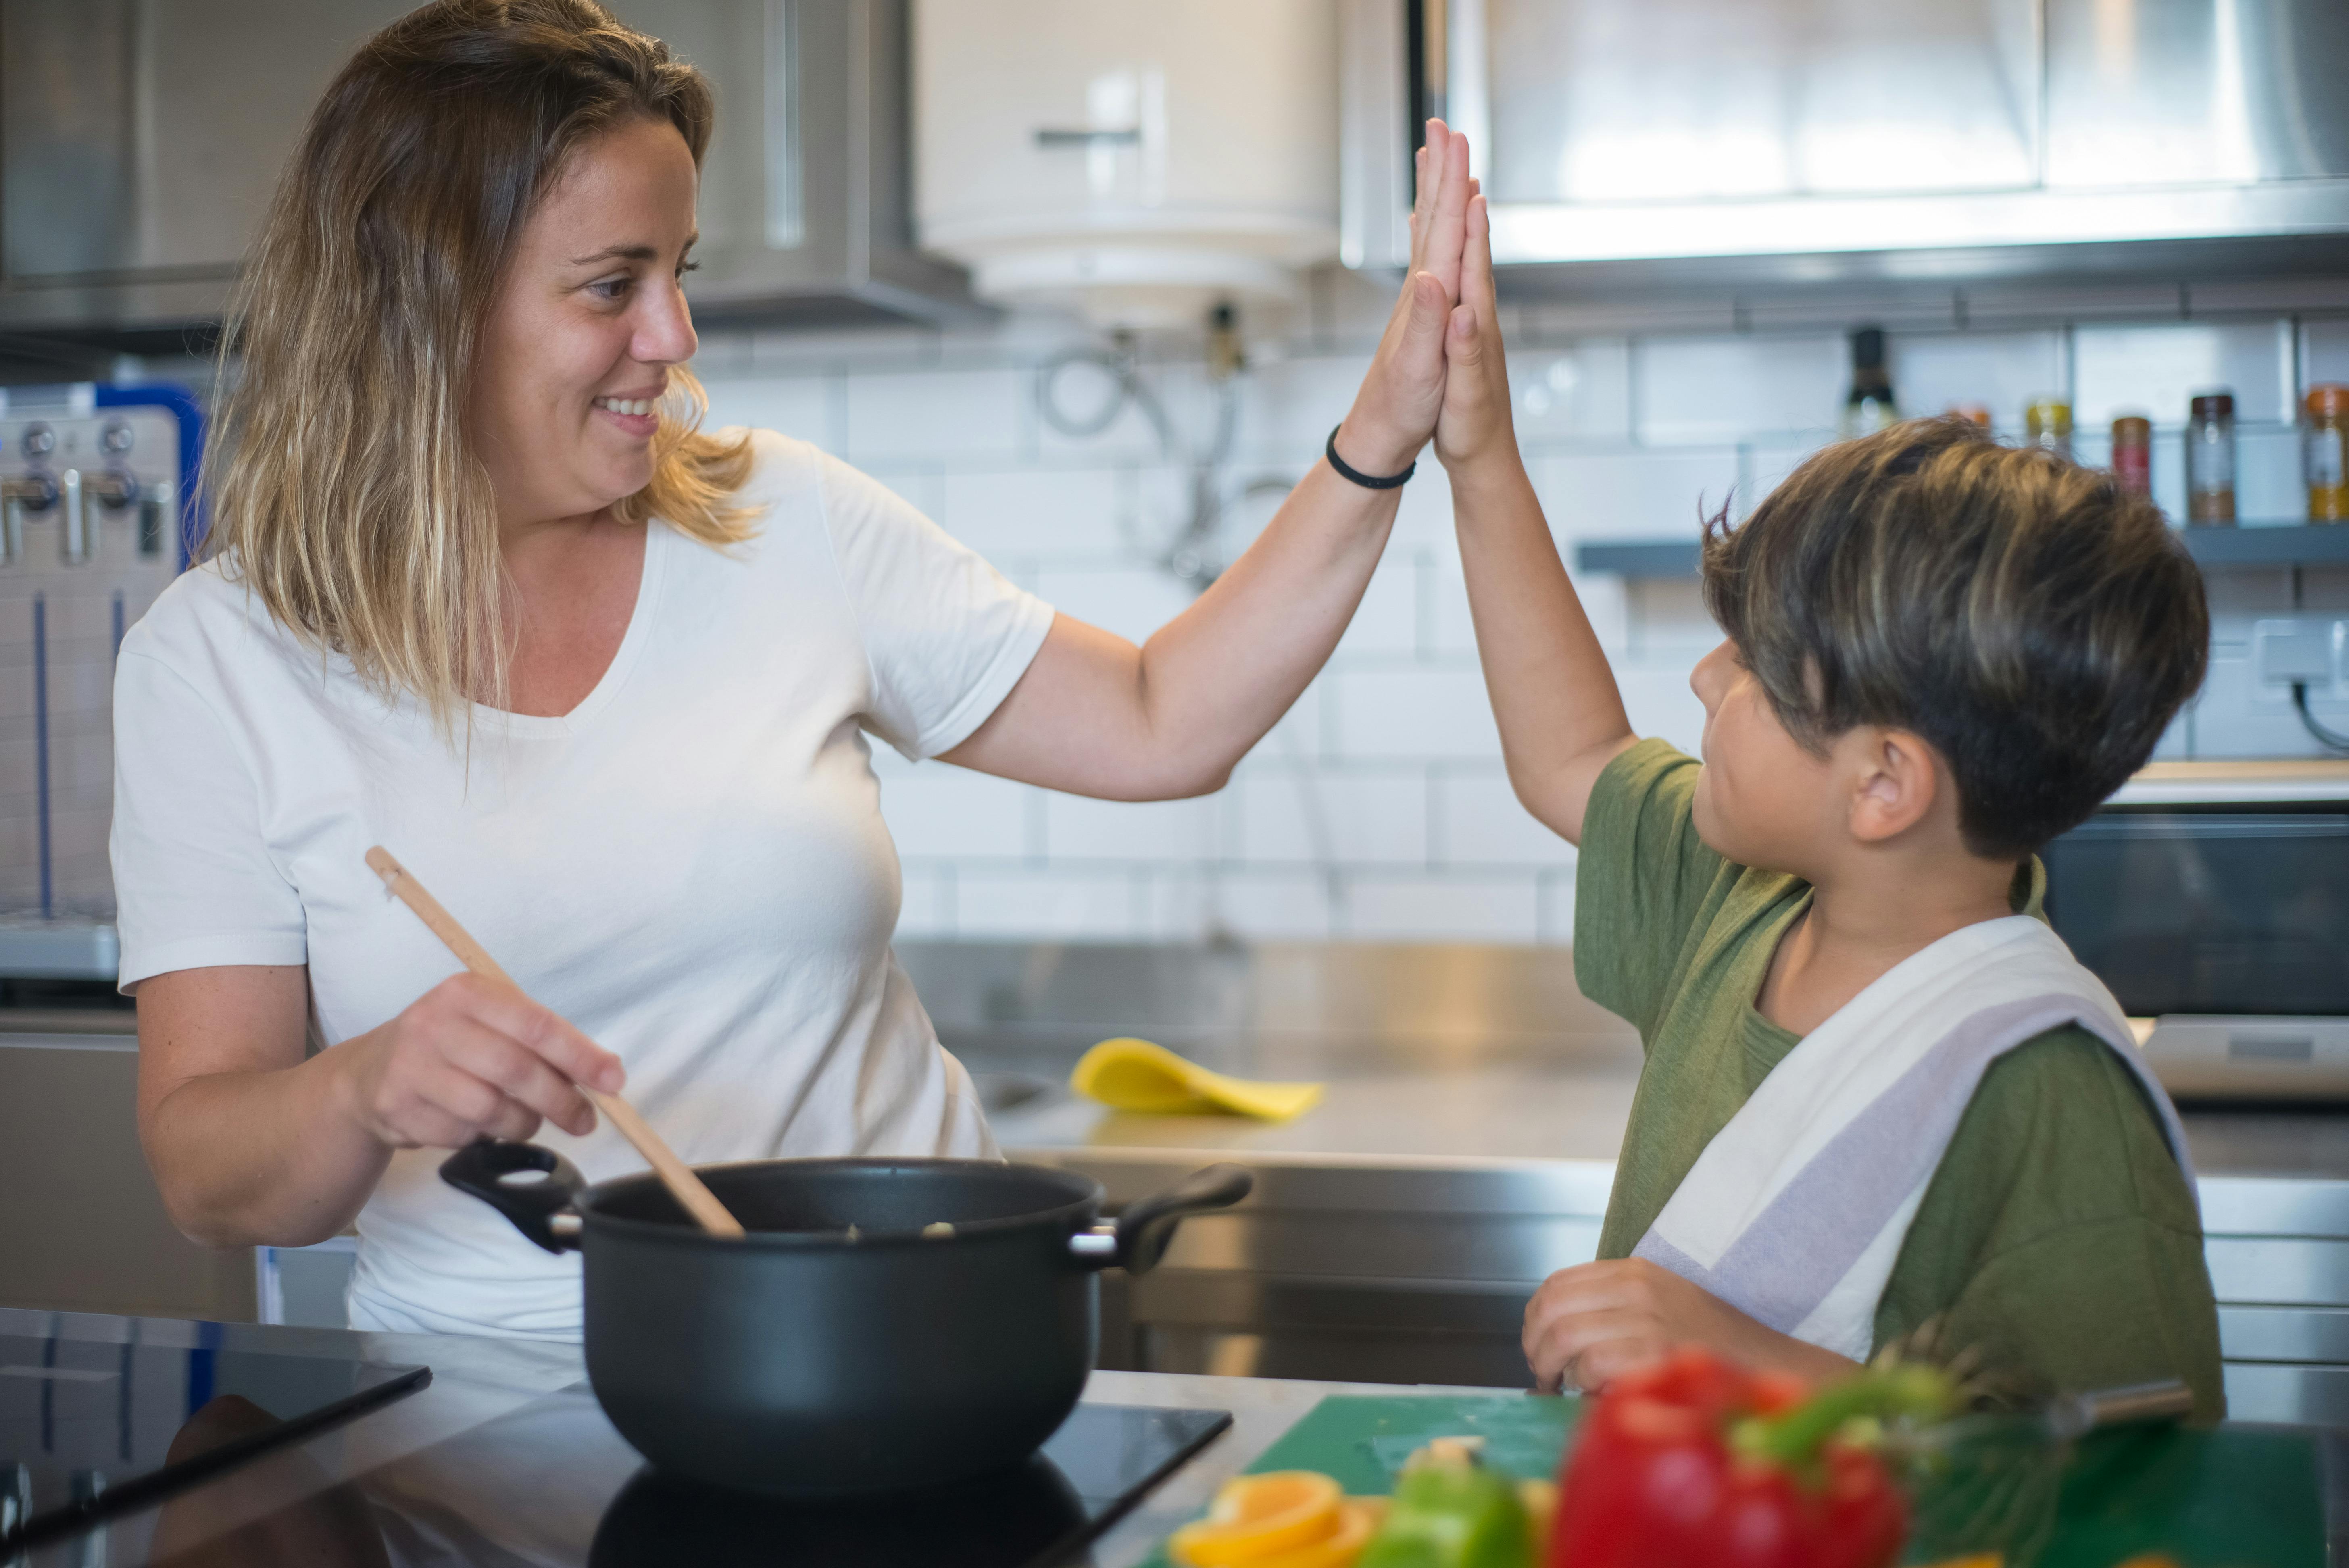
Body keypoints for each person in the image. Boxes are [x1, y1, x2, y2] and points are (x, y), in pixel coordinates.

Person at [112, 0, 1480, 1339]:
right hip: (495, 1414)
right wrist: (361, 1089)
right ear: (423, 305)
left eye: (679, 273)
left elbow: (1158, 720)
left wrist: (1381, 432)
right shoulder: (223, 661)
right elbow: (206, 1172)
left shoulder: (784, 519)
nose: (674, 337)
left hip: (920, 1334)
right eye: (611, 285)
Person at [1426, 192, 2226, 1414]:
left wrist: (1734, 1355)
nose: (1704, 674)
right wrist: (1477, 446)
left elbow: (2131, 1478)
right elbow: (1570, 753)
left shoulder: (2047, 1092)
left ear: (1885, 785)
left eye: (1746, 664)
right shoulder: (1736, 898)